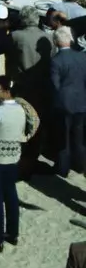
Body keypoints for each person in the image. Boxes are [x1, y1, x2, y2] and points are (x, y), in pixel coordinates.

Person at [0, 76, 36, 251]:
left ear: (6, 91)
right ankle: (12, 232)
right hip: (12, 158)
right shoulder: (21, 110)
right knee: (10, 195)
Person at [53, 27, 86, 177]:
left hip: (64, 103)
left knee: (63, 138)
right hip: (81, 101)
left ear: (56, 42)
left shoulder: (56, 60)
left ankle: (63, 168)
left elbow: (55, 85)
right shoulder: (82, 57)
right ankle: (81, 166)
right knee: (78, 137)